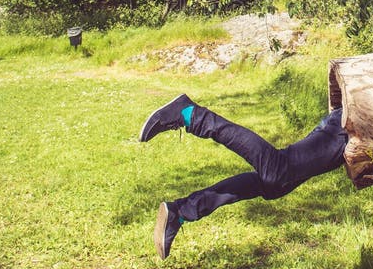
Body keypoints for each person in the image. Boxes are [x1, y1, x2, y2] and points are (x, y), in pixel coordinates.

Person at [139, 93, 349, 259]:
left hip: (344, 126)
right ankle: (192, 115)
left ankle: (180, 212)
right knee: (277, 170)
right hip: (348, 129)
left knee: (275, 185)